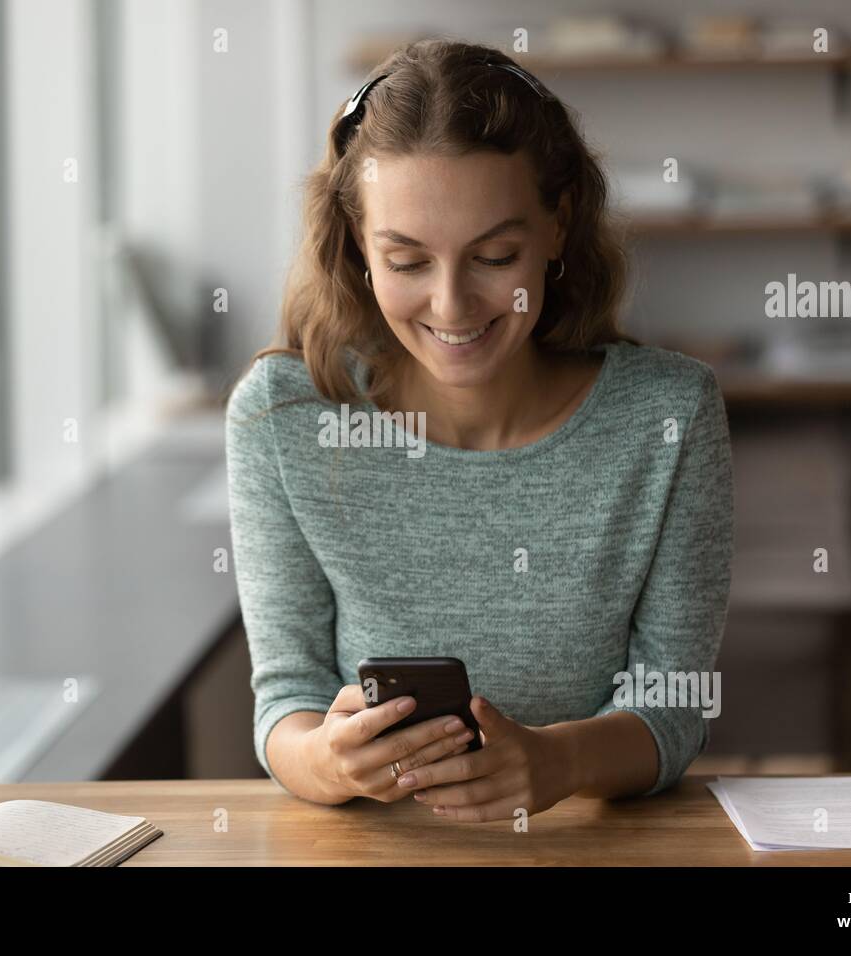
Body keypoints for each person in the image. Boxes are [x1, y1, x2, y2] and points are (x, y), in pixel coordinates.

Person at [225, 38, 733, 823]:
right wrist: (326, 760)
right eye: (407, 262)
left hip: (588, 847)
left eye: (495, 255)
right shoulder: (282, 418)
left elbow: (673, 706)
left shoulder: (669, 415)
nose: (452, 306)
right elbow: (286, 701)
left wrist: (560, 762)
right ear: (358, 245)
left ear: (559, 224)